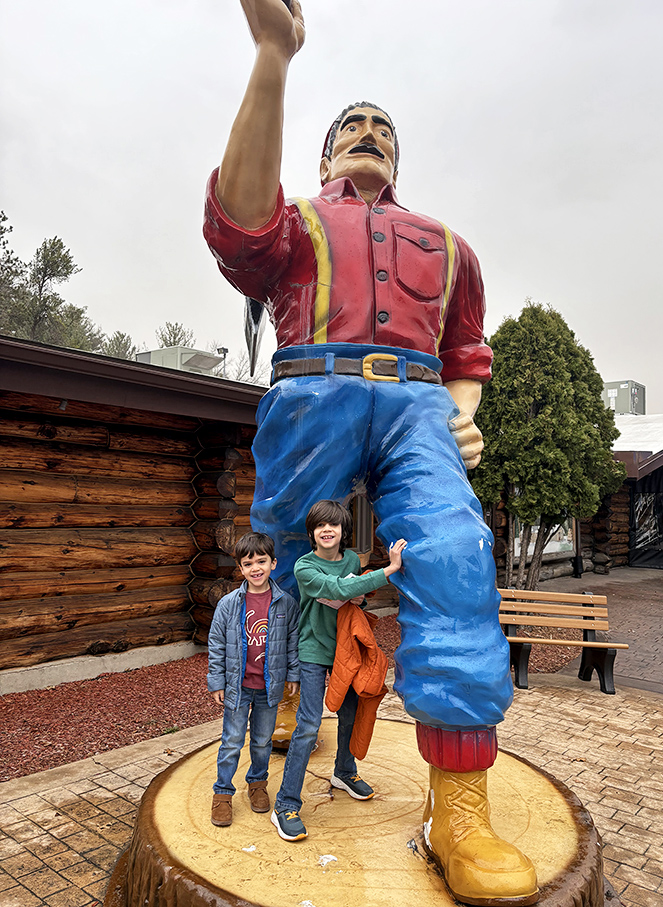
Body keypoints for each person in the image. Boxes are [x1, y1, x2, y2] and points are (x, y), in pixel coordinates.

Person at [203, 2, 538, 903]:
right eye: (352, 125)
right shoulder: (298, 222)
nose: (370, 133)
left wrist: (463, 411)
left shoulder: (450, 245)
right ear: (323, 157)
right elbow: (238, 228)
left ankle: (458, 808)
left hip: (418, 404)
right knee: (280, 549)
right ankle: (280, 691)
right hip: (311, 389)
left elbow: (466, 349)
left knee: (455, 554)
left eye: (384, 128)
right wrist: (274, 57)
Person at [270, 500, 406, 841]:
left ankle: (344, 772)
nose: (327, 530)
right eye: (320, 525)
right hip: (313, 650)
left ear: (344, 530)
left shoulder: (350, 561)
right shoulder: (304, 566)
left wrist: (360, 597)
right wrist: (389, 570)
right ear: (312, 532)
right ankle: (285, 804)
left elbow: (353, 595)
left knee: (350, 713)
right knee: (308, 725)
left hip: (346, 649)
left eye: (333, 524)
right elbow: (338, 589)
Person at [207, 531, 300, 827]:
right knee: (232, 742)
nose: (255, 568)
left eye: (261, 561)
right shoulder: (228, 604)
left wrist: (293, 674)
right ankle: (222, 793)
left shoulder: (285, 604)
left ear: (273, 563)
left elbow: (292, 641)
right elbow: (216, 644)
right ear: (240, 568)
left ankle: (257, 783)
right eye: (248, 564)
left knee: (261, 741)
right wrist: (217, 681)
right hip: (237, 686)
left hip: (269, 688)